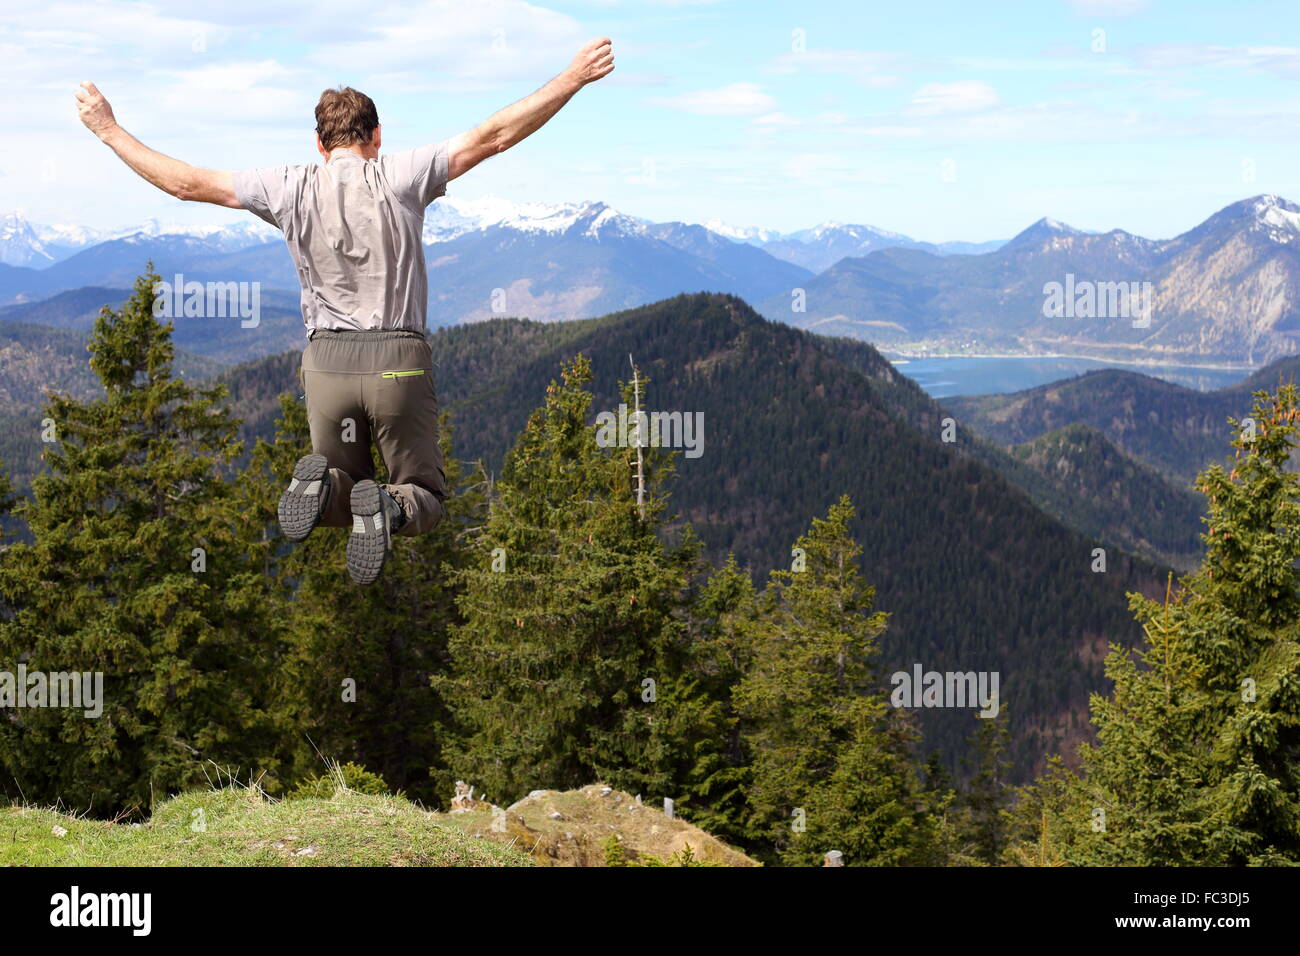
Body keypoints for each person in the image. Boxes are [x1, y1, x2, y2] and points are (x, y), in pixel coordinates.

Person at [76, 38, 616, 583]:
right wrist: (572, 77)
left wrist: (108, 129)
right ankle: (389, 506)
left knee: (345, 490)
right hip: (397, 360)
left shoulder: (285, 186)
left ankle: (326, 486)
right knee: (422, 495)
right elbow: (494, 136)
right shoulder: (401, 175)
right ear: (376, 135)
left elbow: (187, 184)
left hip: (327, 365)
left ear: (318, 142)